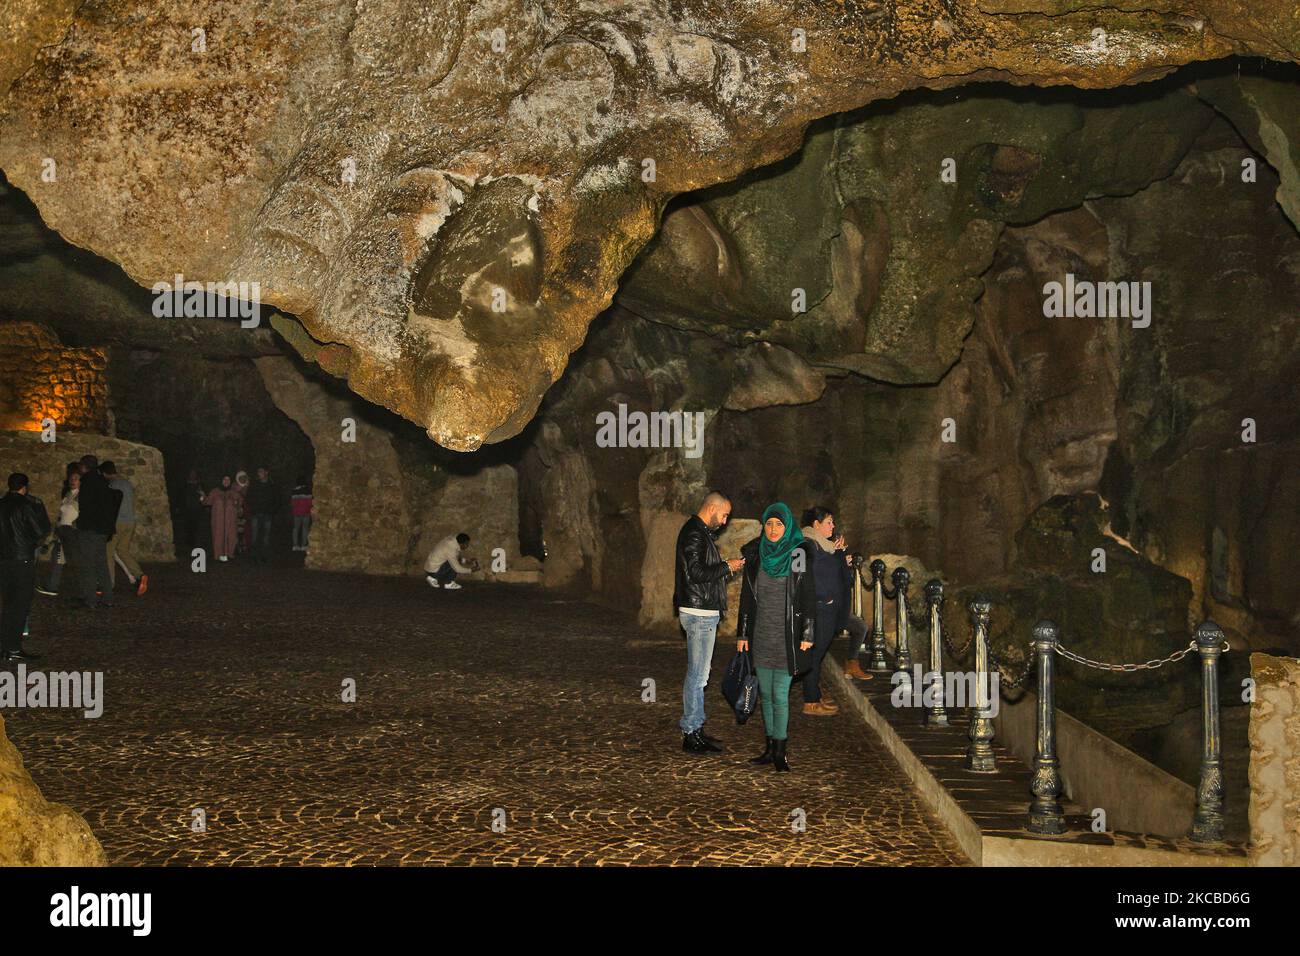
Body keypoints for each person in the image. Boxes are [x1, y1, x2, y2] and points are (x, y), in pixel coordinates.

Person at [736, 502, 817, 772]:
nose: (773, 530)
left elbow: (808, 596)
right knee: (766, 695)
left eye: (779, 525)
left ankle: (781, 751)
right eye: (769, 524)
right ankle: (769, 748)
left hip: (788, 636)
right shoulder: (757, 553)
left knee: (780, 693)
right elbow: (747, 598)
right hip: (761, 635)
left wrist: (807, 632)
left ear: (787, 527)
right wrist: (743, 632)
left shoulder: (798, 554)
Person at [672, 491, 744, 754]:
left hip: (701, 609)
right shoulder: (694, 532)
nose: (725, 521)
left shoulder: (699, 532)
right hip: (699, 612)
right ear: (712, 508)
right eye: (724, 514)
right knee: (698, 675)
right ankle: (691, 732)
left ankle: (696, 729)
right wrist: (727, 566)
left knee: (700, 674)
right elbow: (697, 572)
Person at [801, 506, 873, 712]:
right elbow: (812, 576)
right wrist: (827, 598)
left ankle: (814, 696)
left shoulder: (824, 546)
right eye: (829, 522)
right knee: (815, 654)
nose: (833, 526)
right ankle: (811, 701)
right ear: (816, 524)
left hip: (828, 609)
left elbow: (838, 574)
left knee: (819, 653)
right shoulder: (809, 544)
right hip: (820, 609)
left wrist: (840, 554)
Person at [1, 473, 51, 662]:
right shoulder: (26, 506)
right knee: (20, 605)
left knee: (7, 603)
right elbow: (40, 530)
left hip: (4, 559)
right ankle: (13, 647)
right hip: (22, 559)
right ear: (24, 487)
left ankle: (5, 645)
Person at [73, 454, 120, 609]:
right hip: (102, 530)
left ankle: (90, 599)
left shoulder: (87, 481)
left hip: (90, 529)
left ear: (84, 466)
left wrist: (79, 524)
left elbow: (86, 507)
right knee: (101, 563)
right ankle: (108, 598)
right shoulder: (102, 482)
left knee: (88, 564)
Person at [101, 461, 147, 596]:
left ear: (105, 474)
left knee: (108, 551)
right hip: (130, 522)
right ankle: (139, 574)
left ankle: (109, 583)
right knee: (123, 550)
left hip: (118, 522)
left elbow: (110, 506)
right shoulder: (127, 484)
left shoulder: (111, 485)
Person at [37, 468, 80, 597]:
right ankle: (52, 586)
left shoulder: (81, 497)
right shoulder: (67, 495)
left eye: (76, 479)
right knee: (58, 559)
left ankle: (56, 587)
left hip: (72, 533)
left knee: (70, 562)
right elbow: (61, 515)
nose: (72, 481)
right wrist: (55, 532)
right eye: (71, 478)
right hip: (62, 532)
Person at [204, 475, 239, 562]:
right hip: (218, 520)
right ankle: (218, 555)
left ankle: (229, 554)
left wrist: (236, 502)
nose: (226, 481)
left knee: (231, 536)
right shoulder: (215, 491)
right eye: (224, 479)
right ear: (221, 480)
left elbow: (239, 503)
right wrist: (202, 497)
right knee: (218, 536)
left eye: (228, 479)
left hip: (230, 520)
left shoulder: (234, 492)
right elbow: (207, 501)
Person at [246, 466, 278, 561]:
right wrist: (253, 507)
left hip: (267, 514)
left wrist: (272, 510)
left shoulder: (272, 485)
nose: (259, 473)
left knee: (266, 536)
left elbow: (276, 499)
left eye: (261, 471)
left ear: (266, 472)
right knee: (254, 535)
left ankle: (264, 556)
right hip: (256, 513)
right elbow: (249, 497)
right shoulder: (254, 485)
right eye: (258, 471)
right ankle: (254, 556)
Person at [180, 468, 207, 555]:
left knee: (197, 526)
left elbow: (203, 496)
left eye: (194, 473)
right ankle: (189, 543)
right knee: (189, 526)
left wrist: (202, 502)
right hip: (188, 508)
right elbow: (182, 496)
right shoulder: (186, 485)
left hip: (197, 508)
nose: (192, 475)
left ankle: (197, 543)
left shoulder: (199, 485)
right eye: (191, 473)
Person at [290, 478, 313, 552]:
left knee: (296, 529)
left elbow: (293, 503)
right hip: (306, 512)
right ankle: (304, 545)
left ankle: (295, 545)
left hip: (297, 513)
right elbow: (310, 503)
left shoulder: (294, 491)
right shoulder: (308, 491)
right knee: (305, 529)